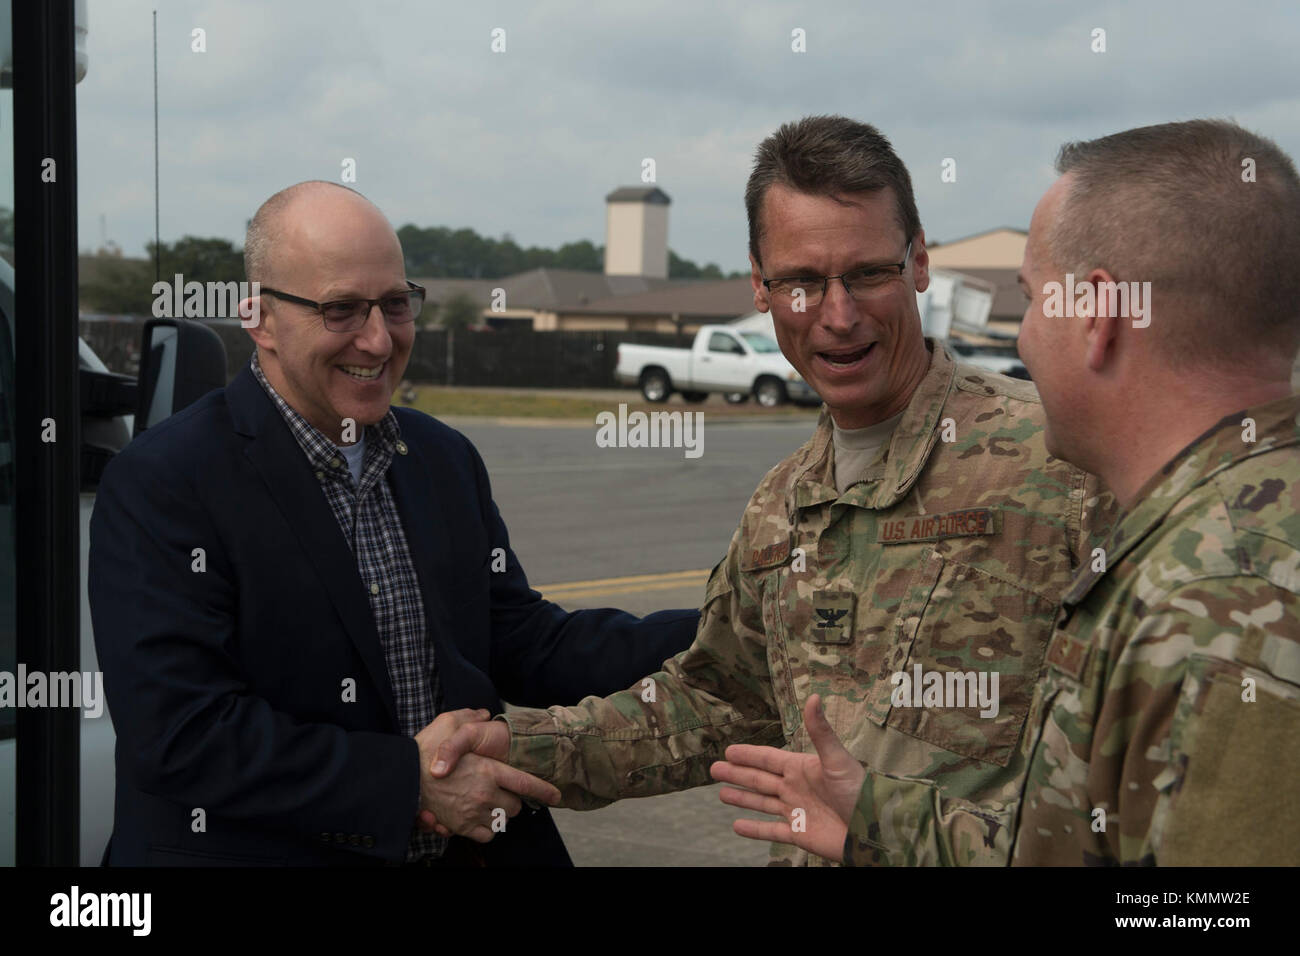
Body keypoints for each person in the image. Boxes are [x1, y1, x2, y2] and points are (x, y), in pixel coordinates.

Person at [426, 115, 1114, 865]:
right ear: (760, 285)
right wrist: (521, 747)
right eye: (802, 282)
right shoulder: (782, 506)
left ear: (919, 262)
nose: (838, 315)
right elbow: (713, 702)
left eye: (868, 274)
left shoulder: (1060, 458)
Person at [711, 118, 1300, 865]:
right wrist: (883, 822)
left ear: (1097, 314)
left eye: (1029, 299)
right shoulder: (1208, 542)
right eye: (801, 280)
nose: (1020, 340)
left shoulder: (1224, 593)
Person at [88, 181, 699, 867]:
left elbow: (522, 641)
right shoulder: (164, 481)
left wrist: (728, 618)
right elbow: (182, 734)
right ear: (259, 319)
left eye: (396, 304)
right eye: (342, 309)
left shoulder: (439, 457)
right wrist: (410, 782)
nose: (378, 339)